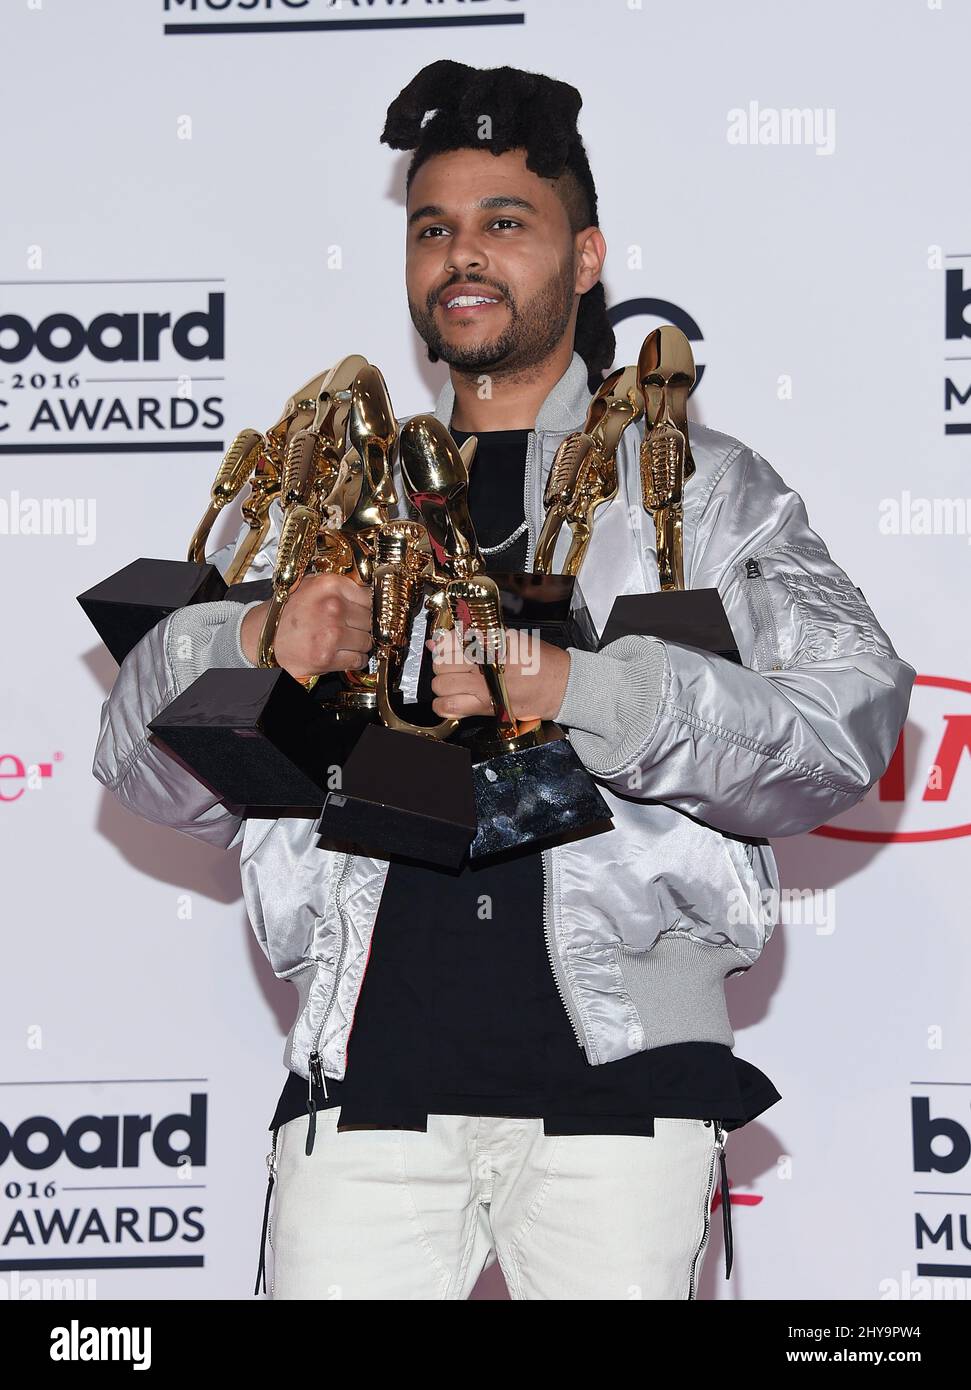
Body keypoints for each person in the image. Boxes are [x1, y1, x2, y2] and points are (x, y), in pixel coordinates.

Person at [92, 61, 916, 1300]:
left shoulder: (695, 487)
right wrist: (254, 643)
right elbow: (140, 773)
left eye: (502, 223)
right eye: (433, 229)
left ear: (585, 258)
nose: (461, 256)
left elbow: (845, 728)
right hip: (358, 1092)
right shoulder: (328, 490)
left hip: (624, 1098)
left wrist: (574, 686)